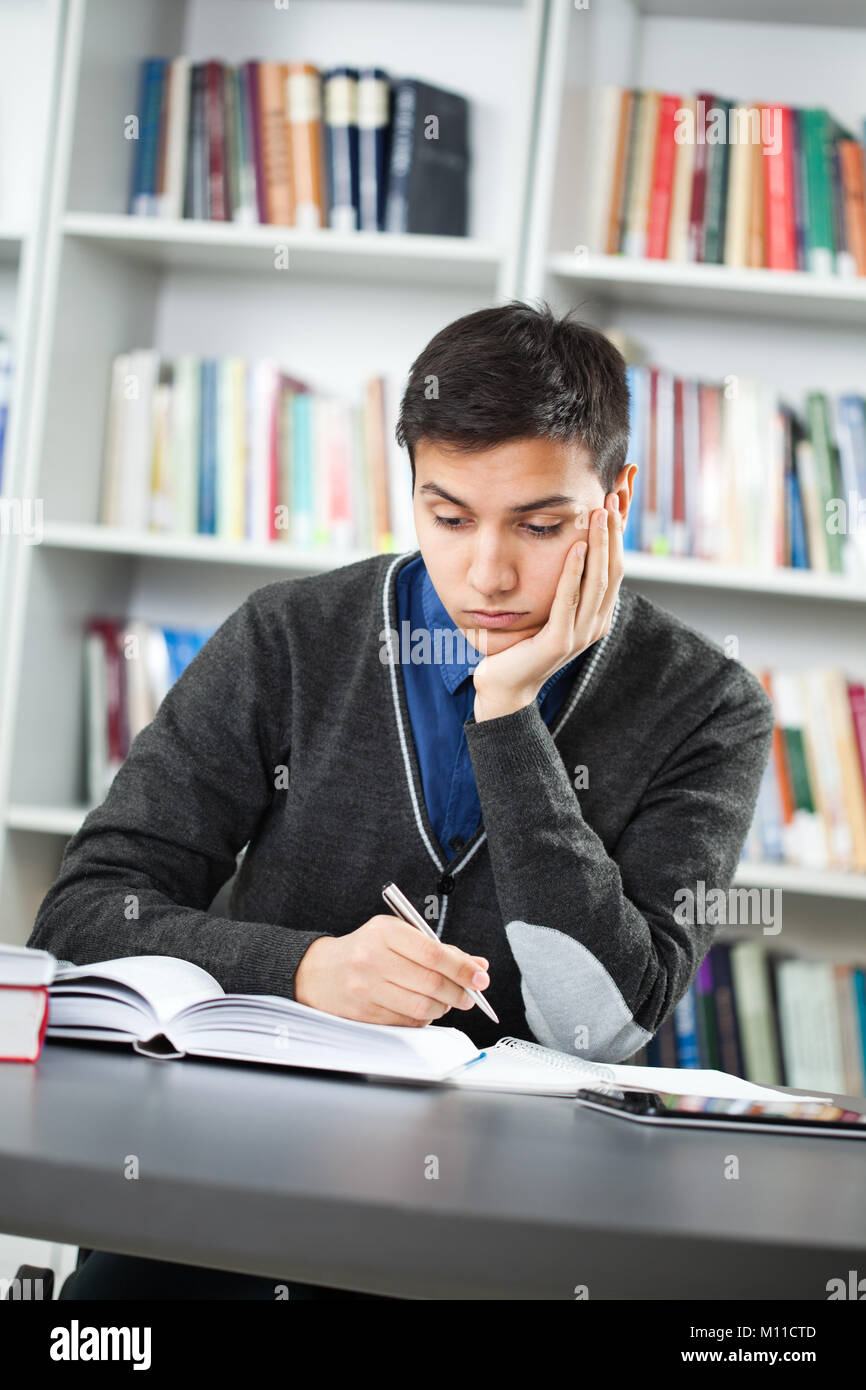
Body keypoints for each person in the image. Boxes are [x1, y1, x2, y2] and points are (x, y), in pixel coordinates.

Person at [33, 302, 774, 1299]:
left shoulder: (702, 704)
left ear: (617, 497)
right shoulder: (290, 637)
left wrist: (508, 715)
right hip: (230, 1177)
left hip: (510, 1215)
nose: (488, 572)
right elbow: (82, 916)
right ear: (412, 492)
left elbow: (599, 1023)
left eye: (541, 524)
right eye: (449, 517)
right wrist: (303, 968)